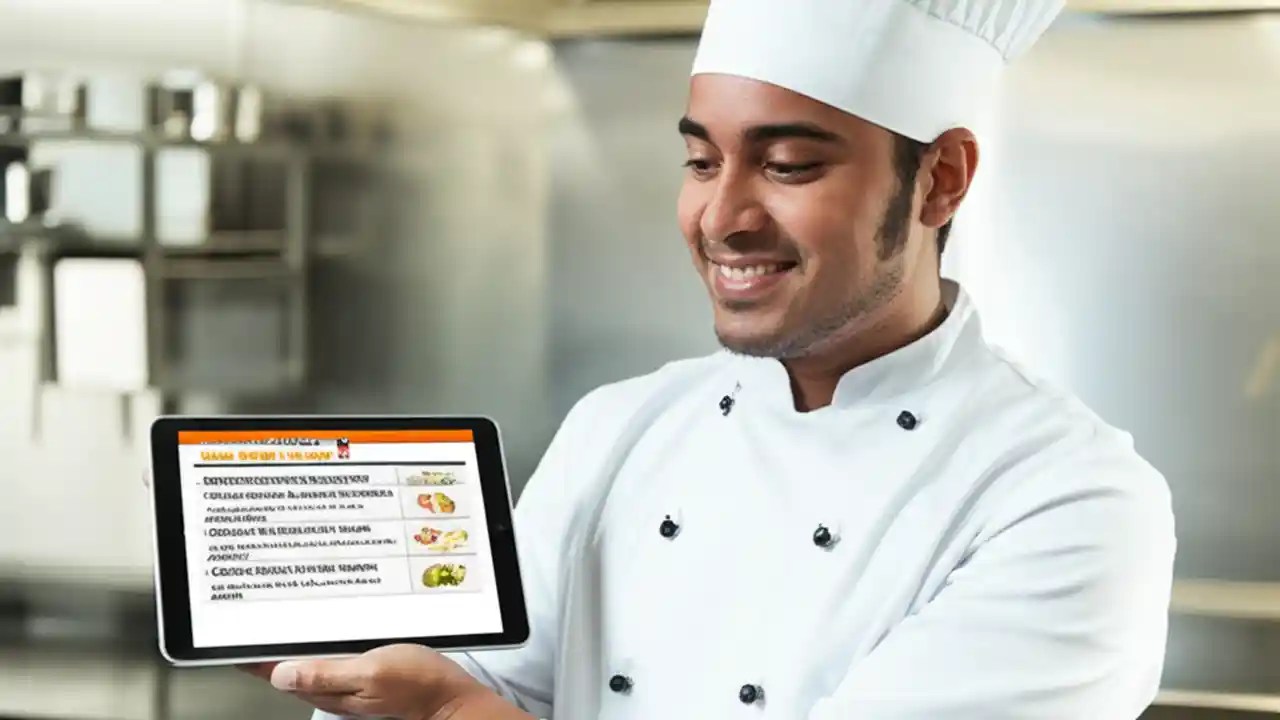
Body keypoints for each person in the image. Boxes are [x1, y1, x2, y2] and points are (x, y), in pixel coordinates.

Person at [246, 0, 1177, 717]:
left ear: (941, 180)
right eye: (701, 163)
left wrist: (464, 714)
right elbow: (496, 682)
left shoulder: (1067, 497)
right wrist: (393, 684)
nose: (722, 217)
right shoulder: (621, 426)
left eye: (788, 165)